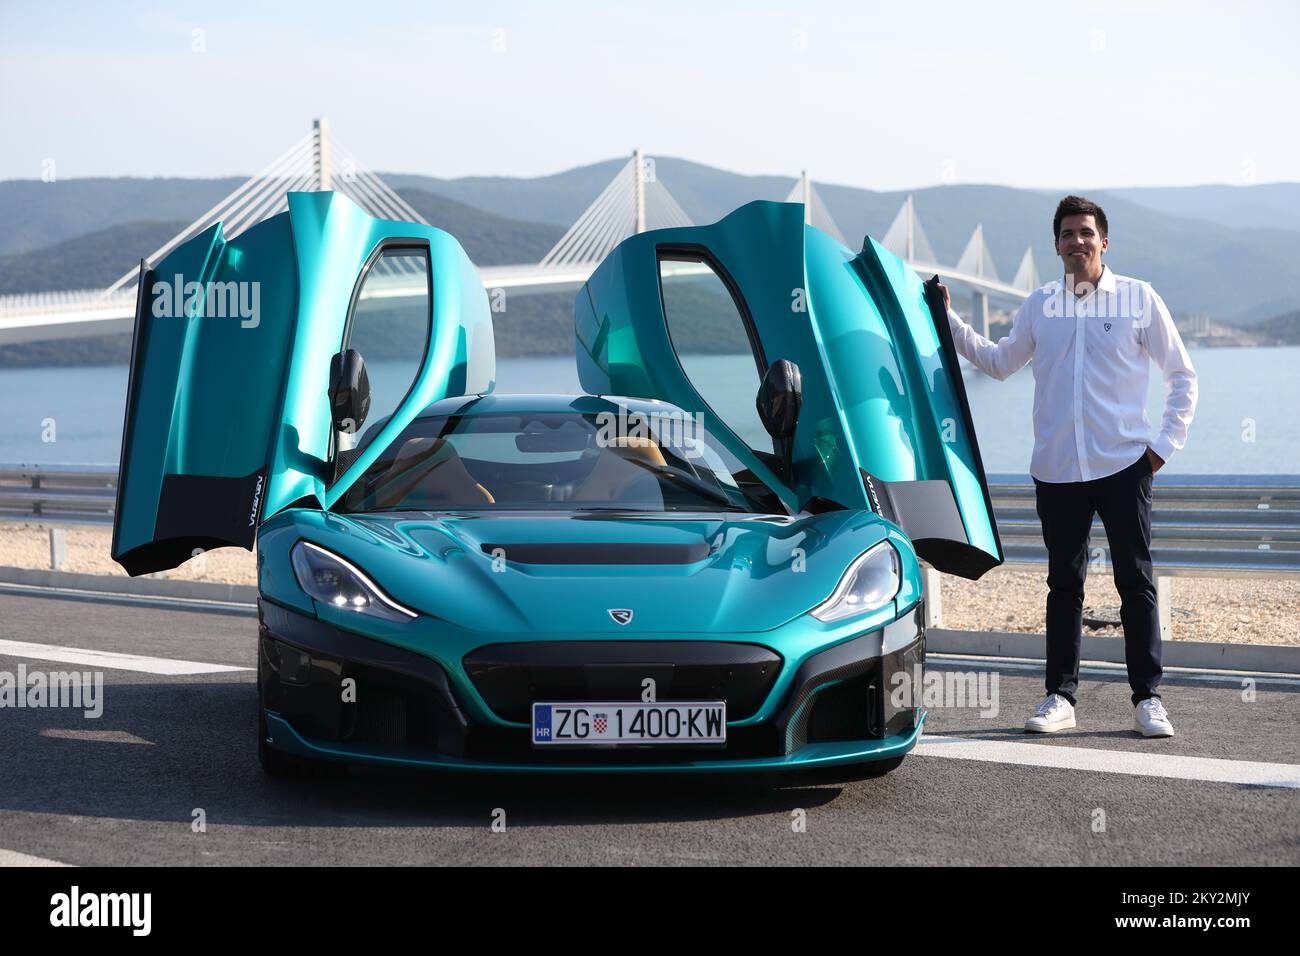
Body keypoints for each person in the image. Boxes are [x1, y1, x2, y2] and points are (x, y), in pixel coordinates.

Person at [938, 195, 1197, 738]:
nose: (1076, 242)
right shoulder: (1038, 306)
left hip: (1125, 465)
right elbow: (998, 361)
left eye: (1086, 233)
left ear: (1105, 242)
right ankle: (1060, 696)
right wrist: (948, 319)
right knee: (1064, 586)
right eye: (1066, 234)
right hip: (1056, 471)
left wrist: (1159, 451)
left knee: (1136, 582)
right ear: (1055, 245)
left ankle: (1148, 698)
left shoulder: (1137, 299)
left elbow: (1182, 376)